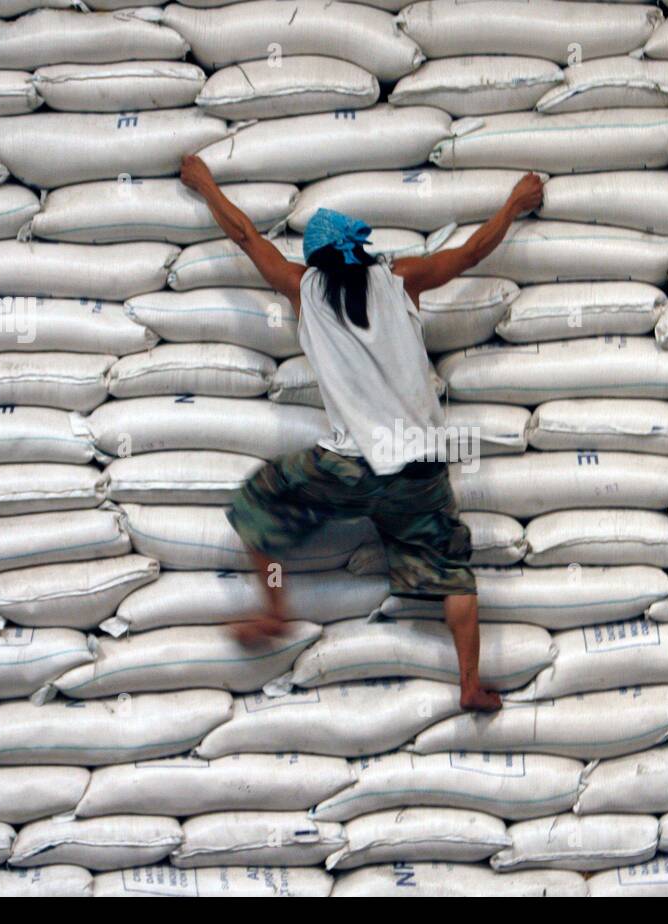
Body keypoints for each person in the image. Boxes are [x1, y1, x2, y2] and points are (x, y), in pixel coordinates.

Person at [180, 154, 544, 712]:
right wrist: (516, 204)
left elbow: (246, 235)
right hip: (420, 470)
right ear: (362, 249)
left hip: (348, 469)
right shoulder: (402, 280)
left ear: (318, 261)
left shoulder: (302, 287)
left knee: (258, 513)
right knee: (451, 572)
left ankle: (274, 606)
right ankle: (469, 682)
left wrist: (204, 183)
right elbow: (472, 253)